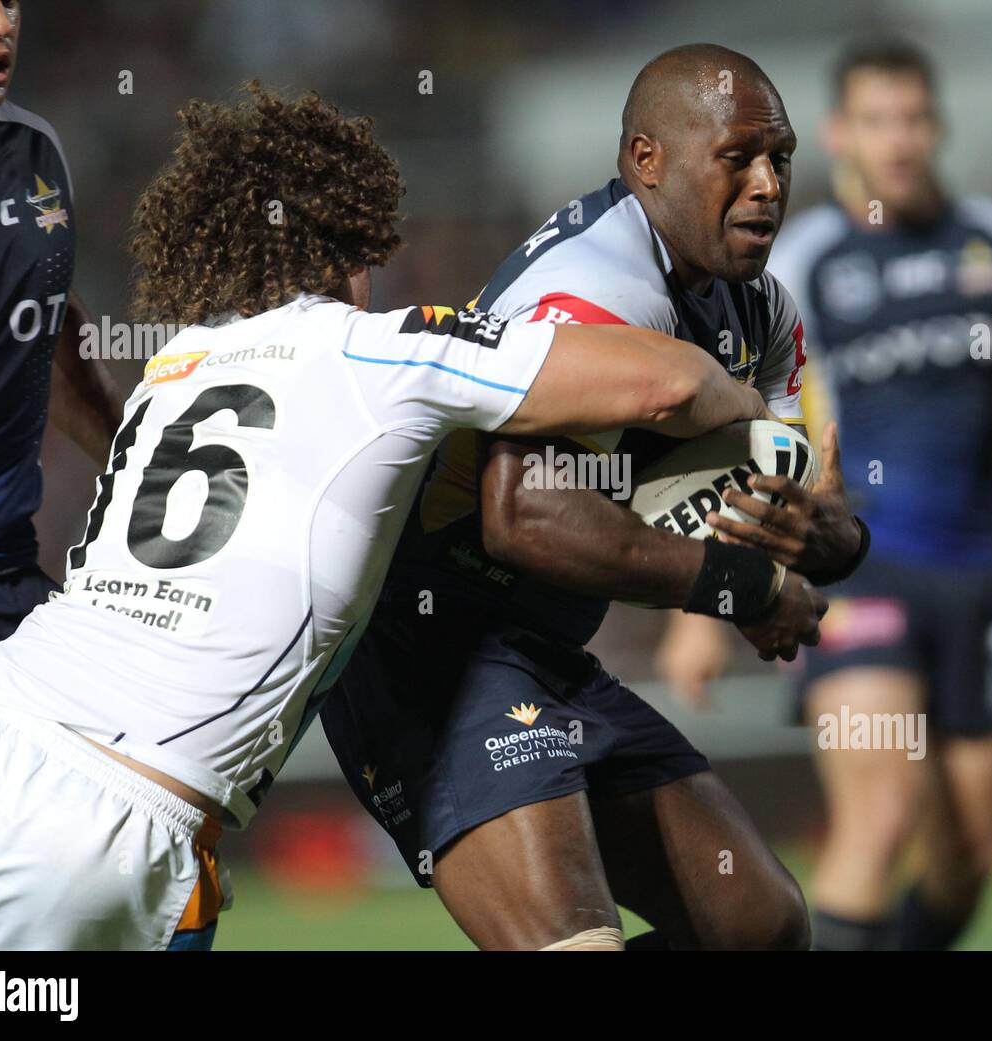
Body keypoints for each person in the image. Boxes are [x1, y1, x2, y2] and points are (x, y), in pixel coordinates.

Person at [0, 84, 794, 952]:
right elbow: (664, 381)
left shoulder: (175, 369)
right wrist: (744, 403)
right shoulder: (383, 351)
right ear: (355, 244)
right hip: (116, 815)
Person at [322, 44, 868, 952]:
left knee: (759, 930)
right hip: (433, 658)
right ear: (647, 161)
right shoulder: (588, 290)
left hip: (545, 651)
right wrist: (744, 588)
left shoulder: (759, 308)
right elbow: (521, 513)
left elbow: (803, 503)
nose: (770, 184)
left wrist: (825, 540)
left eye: (781, 157)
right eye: (739, 156)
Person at [658, 37, 992, 950]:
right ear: (840, 135)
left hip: (981, 572)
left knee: (967, 859)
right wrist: (702, 601)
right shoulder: (801, 263)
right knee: (881, 812)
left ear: (936, 125)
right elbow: (748, 433)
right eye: (877, 121)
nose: (899, 139)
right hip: (854, 570)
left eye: (913, 118)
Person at [0, 0, 121, 700]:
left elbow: (51, 331)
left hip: (9, 580)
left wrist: (136, 470)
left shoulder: (35, 149)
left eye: (8, 2)